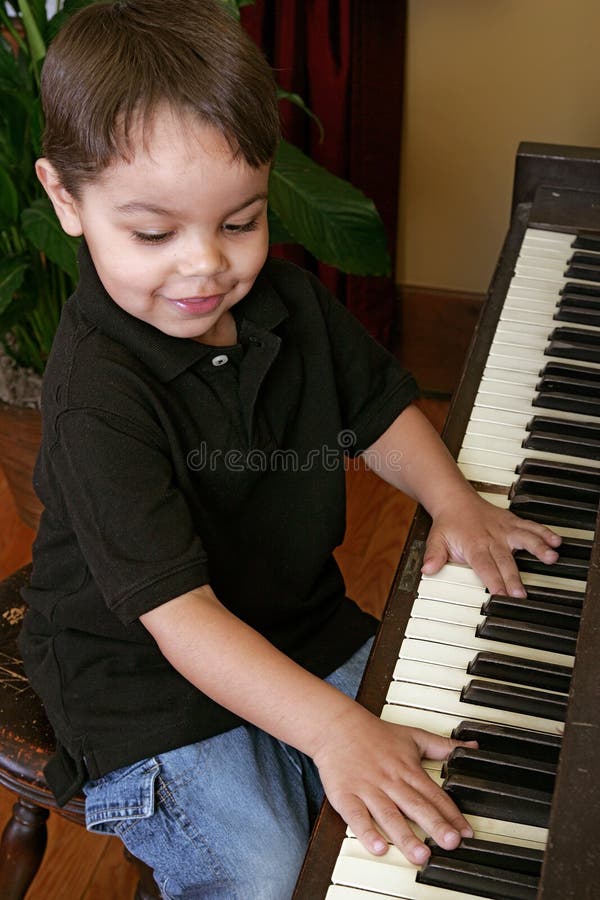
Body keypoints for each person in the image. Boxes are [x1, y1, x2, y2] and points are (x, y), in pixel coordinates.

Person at [19, 1, 562, 898]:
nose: (207, 267)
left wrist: (455, 503)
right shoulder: (96, 398)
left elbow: (380, 408)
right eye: (154, 234)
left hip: (291, 620)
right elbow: (180, 617)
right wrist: (331, 731)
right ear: (65, 199)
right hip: (143, 679)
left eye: (240, 221)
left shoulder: (286, 300)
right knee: (268, 871)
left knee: (438, 763)